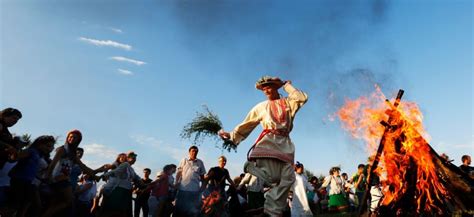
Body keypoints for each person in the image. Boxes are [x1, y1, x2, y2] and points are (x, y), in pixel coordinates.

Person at [219, 76, 308, 216]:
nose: (265, 90)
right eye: (263, 88)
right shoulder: (261, 107)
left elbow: (302, 98)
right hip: (268, 142)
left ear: (276, 87)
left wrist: (287, 86)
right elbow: (247, 123)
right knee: (273, 178)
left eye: (268, 86)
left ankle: (272, 211)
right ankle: (251, 169)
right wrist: (231, 135)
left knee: (289, 178)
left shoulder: (288, 103)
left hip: (285, 144)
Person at [43, 130, 95, 217]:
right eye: (70, 137)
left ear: (78, 140)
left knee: (56, 203)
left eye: (74, 137)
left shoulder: (73, 153)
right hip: (58, 178)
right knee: (69, 200)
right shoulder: (63, 149)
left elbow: (83, 166)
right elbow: (53, 164)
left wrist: (95, 174)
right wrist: (48, 176)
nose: (72, 139)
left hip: (64, 179)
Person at [8, 135, 56, 217]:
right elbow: (15, 158)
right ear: (39, 144)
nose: (49, 149)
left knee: (27, 203)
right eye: (47, 146)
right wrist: (13, 155)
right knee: (14, 205)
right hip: (18, 180)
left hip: (28, 182)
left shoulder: (39, 155)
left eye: (51, 147)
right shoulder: (31, 151)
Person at [100, 151, 143, 217]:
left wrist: (140, 181)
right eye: (132, 157)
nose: (134, 159)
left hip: (127, 191)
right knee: (114, 211)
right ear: (127, 158)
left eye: (135, 158)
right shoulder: (122, 164)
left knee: (123, 212)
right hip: (119, 190)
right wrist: (103, 176)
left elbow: (136, 176)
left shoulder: (131, 168)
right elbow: (113, 171)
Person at [174, 146, 206, 217]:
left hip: (194, 191)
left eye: (196, 151)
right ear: (189, 152)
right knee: (179, 210)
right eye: (193, 151)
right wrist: (176, 182)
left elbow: (203, 178)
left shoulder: (200, 162)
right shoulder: (184, 160)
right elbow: (179, 173)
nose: (194, 152)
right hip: (183, 189)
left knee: (192, 211)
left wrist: (202, 188)